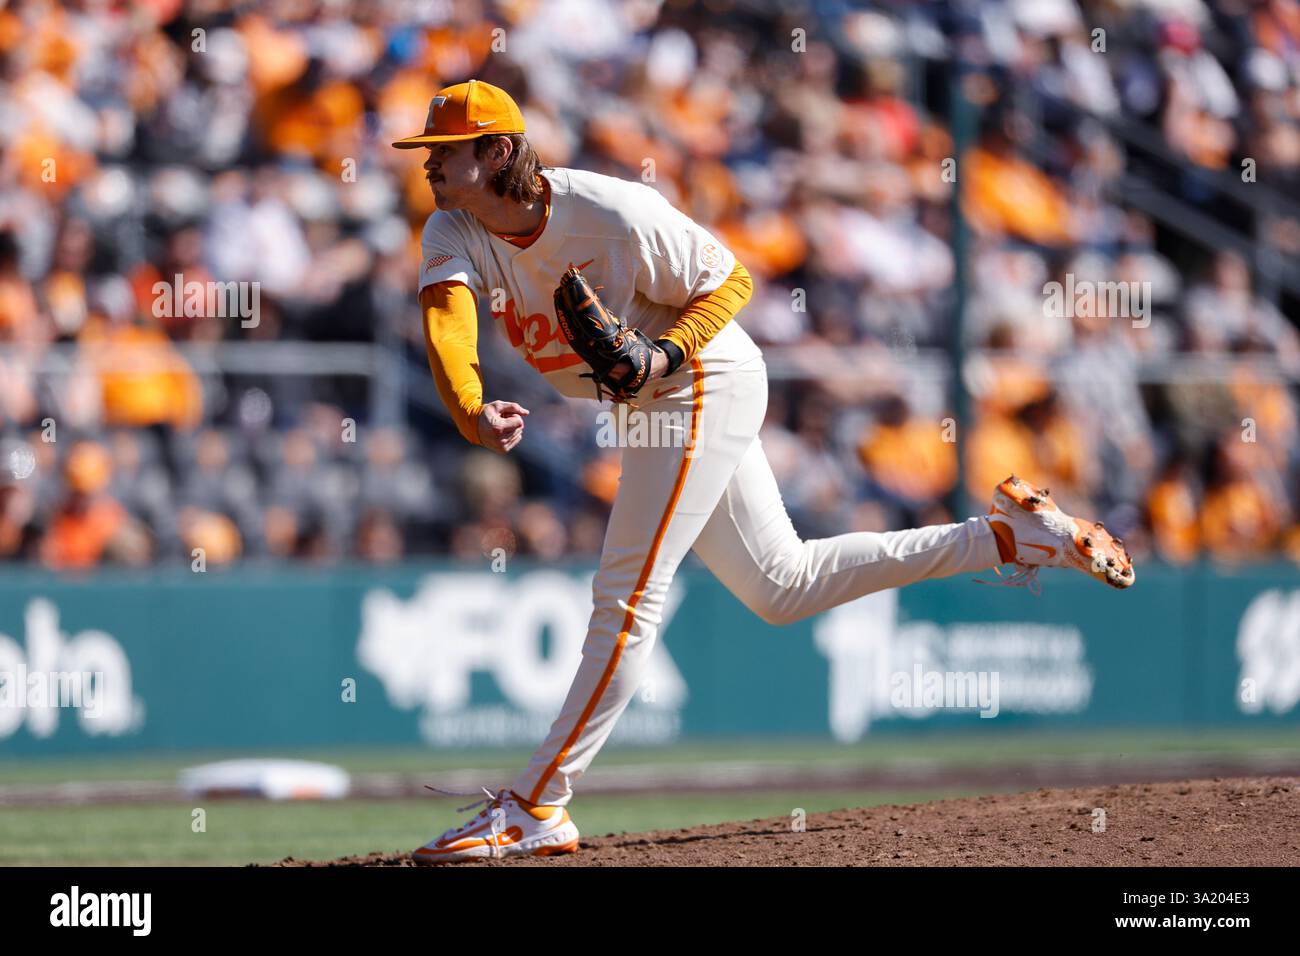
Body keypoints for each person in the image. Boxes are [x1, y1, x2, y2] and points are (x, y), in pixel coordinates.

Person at [394, 80, 1135, 863]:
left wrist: (663, 352)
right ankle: (1009, 540)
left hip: (701, 379)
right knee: (784, 587)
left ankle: (539, 803)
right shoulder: (453, 227)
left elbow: (732, 283)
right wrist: (472, 406)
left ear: (498, 151)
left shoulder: (610, 212)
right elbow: (447, 323)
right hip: (648, 402)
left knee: (627, 598)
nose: (429, 167)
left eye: (444, 152)